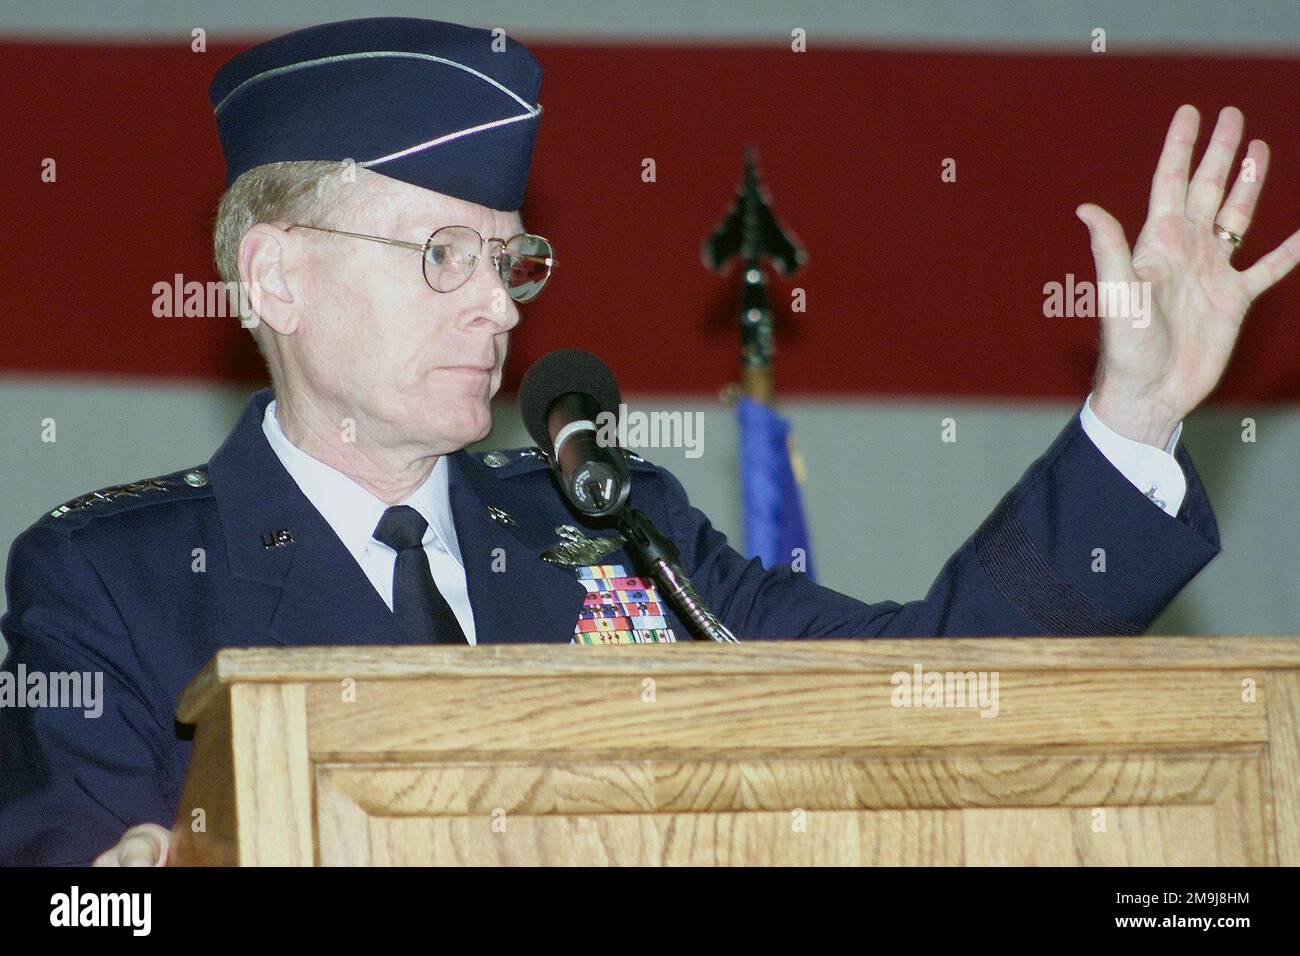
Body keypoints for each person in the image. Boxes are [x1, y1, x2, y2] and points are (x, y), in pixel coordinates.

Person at [2, 17, 1297, 867]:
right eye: (445, 254)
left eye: (511, 261)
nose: (502, 301)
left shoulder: (612, 525)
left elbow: (919, 694)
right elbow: (67, 898)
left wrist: (1137, 416)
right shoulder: (110, 581)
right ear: (274, 279)